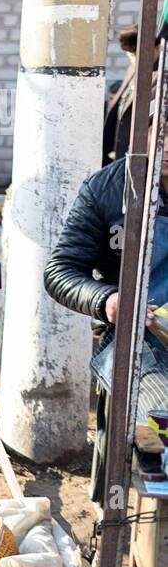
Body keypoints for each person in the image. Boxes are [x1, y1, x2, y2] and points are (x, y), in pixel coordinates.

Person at [44, 147, 168, 498]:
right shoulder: (108, 188)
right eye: (163, 131)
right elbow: (60, 271)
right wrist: (108, 301)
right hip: (134, 337)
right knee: (157, 424)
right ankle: (111, 521)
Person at [103, 25, 137, 164]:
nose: (132, 57)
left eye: (134, 53)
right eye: (129, 54)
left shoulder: (157, 74)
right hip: (117, 149)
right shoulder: (133, 67)